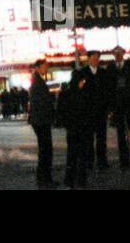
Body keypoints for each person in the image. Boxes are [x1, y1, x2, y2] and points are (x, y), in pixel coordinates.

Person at [61, 59, 93, 188]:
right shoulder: (83, 95)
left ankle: (69, 179)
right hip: (82, 130)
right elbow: (87, 111)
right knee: (82, 157)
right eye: (82, 81)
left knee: (72, 156)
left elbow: (62, 113)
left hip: (72, 131)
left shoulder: (66, 94)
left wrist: (68, 125)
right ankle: (81, 180)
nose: (83, 83)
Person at [29, 59, 57, 188]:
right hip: (41, 121)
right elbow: (42, 101)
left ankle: (43, 177)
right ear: (38, 67)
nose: (47, 69)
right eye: (45, 66)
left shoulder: (37, 80)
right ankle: (45, 178)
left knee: (45, 149)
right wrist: (53, 97)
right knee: (46, 150)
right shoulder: (37, 82)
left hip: (40, 120)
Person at [108, 46, 130, 170]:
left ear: (124, 53)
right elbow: (108, 89)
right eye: (115, 53)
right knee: (120, 134)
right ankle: (124, 161)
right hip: (117, 106)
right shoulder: (111, 68)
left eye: (120, 53)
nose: (118, 55)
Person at [83, 50, 111, 170]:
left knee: (102, 138)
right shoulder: (82, 73)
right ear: (88, 59)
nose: (95, 60)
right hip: (88, 112)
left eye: (97, 58)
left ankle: (102, 161)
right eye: (93, 58)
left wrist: (108, 107)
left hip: (101, 111)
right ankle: (89, 162)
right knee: (88, 139)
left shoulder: (103, 73)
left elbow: (108, 91)